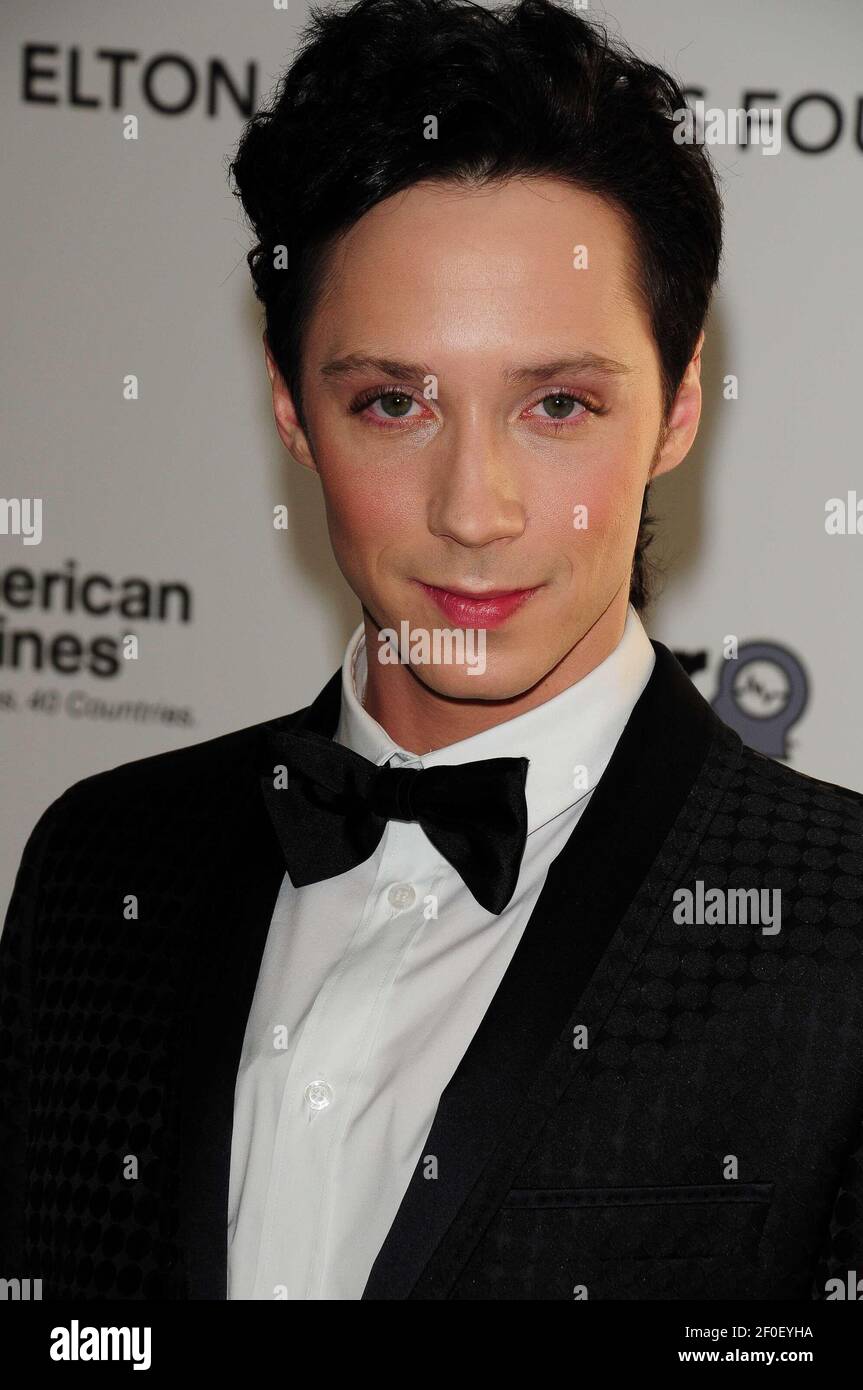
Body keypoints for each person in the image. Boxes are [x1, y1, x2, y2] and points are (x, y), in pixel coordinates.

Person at [2, 0, 861, 1302]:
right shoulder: (99, 863)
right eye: (393, 402)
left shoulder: (843, 927)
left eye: (558, 403)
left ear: (680, 406)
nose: (476, 508)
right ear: (293, 410)